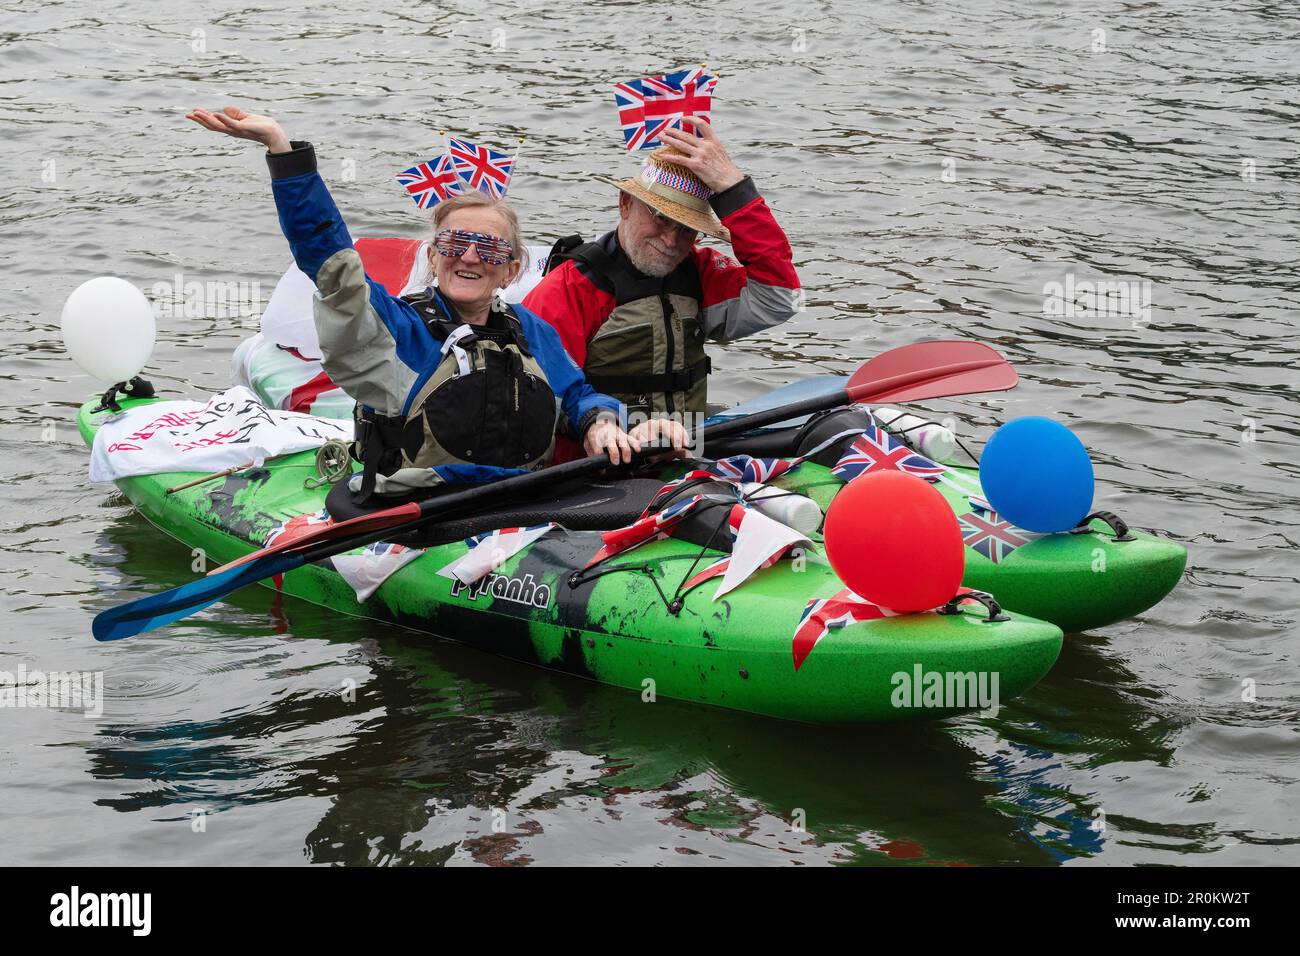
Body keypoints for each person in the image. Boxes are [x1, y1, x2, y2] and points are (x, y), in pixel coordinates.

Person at [186, 106, 687, 500]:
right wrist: (283, 152)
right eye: (453, 245)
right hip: (419, 509)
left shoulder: (531, 331)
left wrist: (603, 422)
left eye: (489, 248)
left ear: (511, 268)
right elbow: (328, 256)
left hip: (525, 501)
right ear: (434, 256)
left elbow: (576, 395)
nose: (469, 257)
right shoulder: (394, 329)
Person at [524, 118, 801, 425]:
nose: (671, 241)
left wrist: (735, 191)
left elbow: (782, 299)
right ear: (626, 203)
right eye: (660, 218)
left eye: (687, 229)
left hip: (688, 448)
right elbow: (537, 400)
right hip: (604, 462)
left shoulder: (700, 272)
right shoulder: (566, 290)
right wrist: (609, 429)